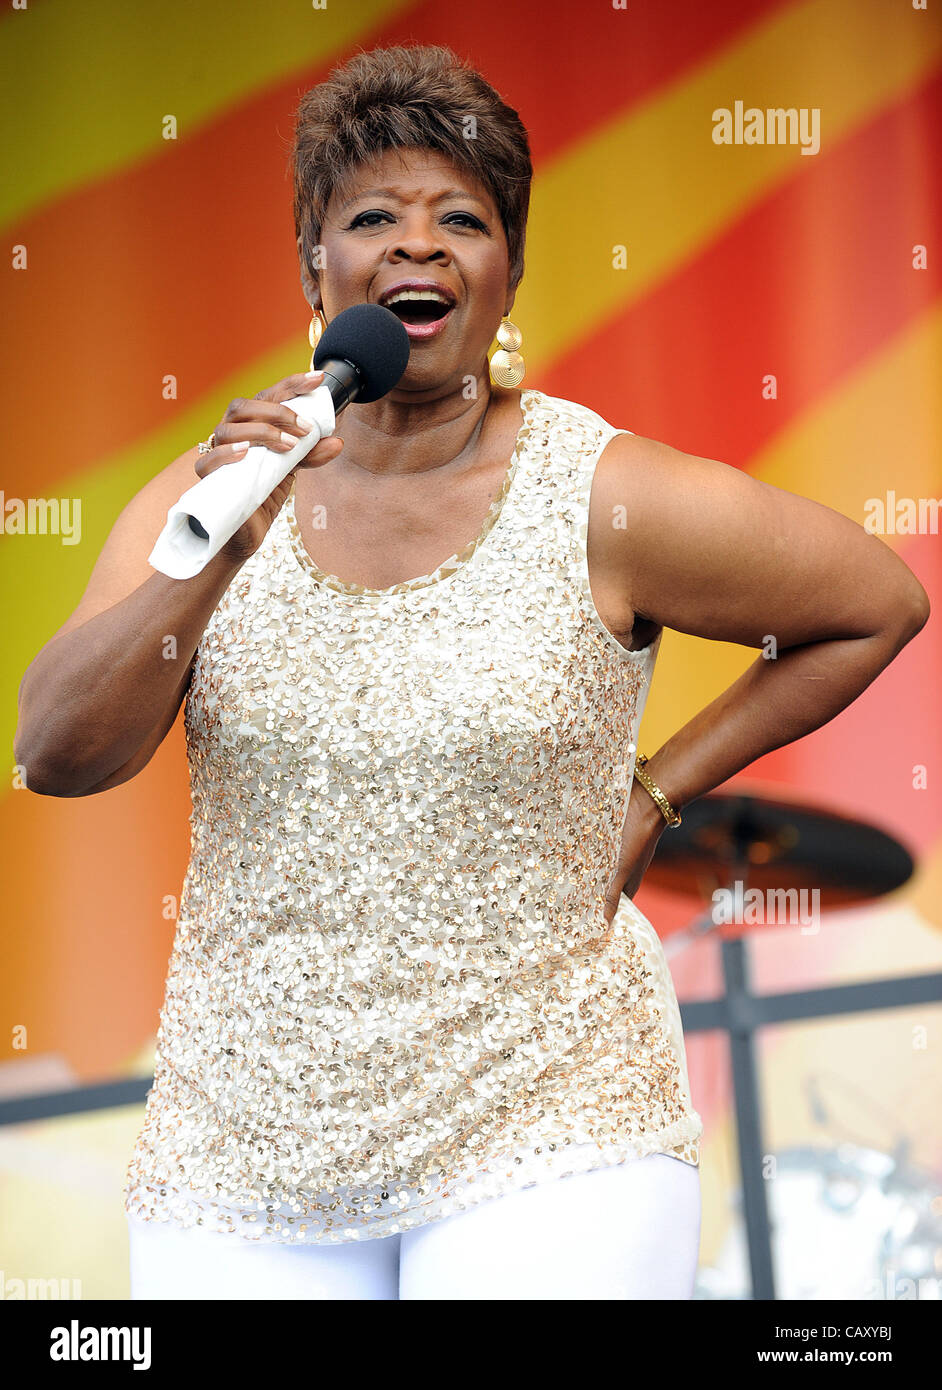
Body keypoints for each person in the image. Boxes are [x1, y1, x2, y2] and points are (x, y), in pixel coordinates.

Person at [14, 44, 929, 1302]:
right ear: (313, 268)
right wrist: (212, 562)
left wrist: (656, 797)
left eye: (464, 220)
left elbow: (876, 604)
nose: (420, 247)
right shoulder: (217, 491)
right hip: (242, 1152)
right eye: (373, 218)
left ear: (507, 274)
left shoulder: (598, 494)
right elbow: (55, 753)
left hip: (553, 1128)